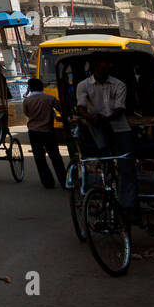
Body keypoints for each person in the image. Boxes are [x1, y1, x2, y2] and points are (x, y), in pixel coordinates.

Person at [75, 57, 138, 221]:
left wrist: (106, 119)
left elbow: (119, 108)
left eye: (106, 69)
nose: (104, 72)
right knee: (98, 164)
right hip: (95, 128)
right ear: (95, 68)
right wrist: (90, 117)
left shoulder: (119, 84)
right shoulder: (83, 85)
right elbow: (80, 107)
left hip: (119, 128)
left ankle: (128, 205)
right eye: (101, 69)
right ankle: (100, 193)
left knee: (127, 167)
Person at [22, 78, 66, 189]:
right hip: (48, 131)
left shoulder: (27, 101)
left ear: (30, 88)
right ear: (42, 87)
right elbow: (60, 109)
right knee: (55, 156)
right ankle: (64, 180)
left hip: (34, 132)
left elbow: (27, 113)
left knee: (39, 158)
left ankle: (47, 182)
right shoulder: (50, 98)